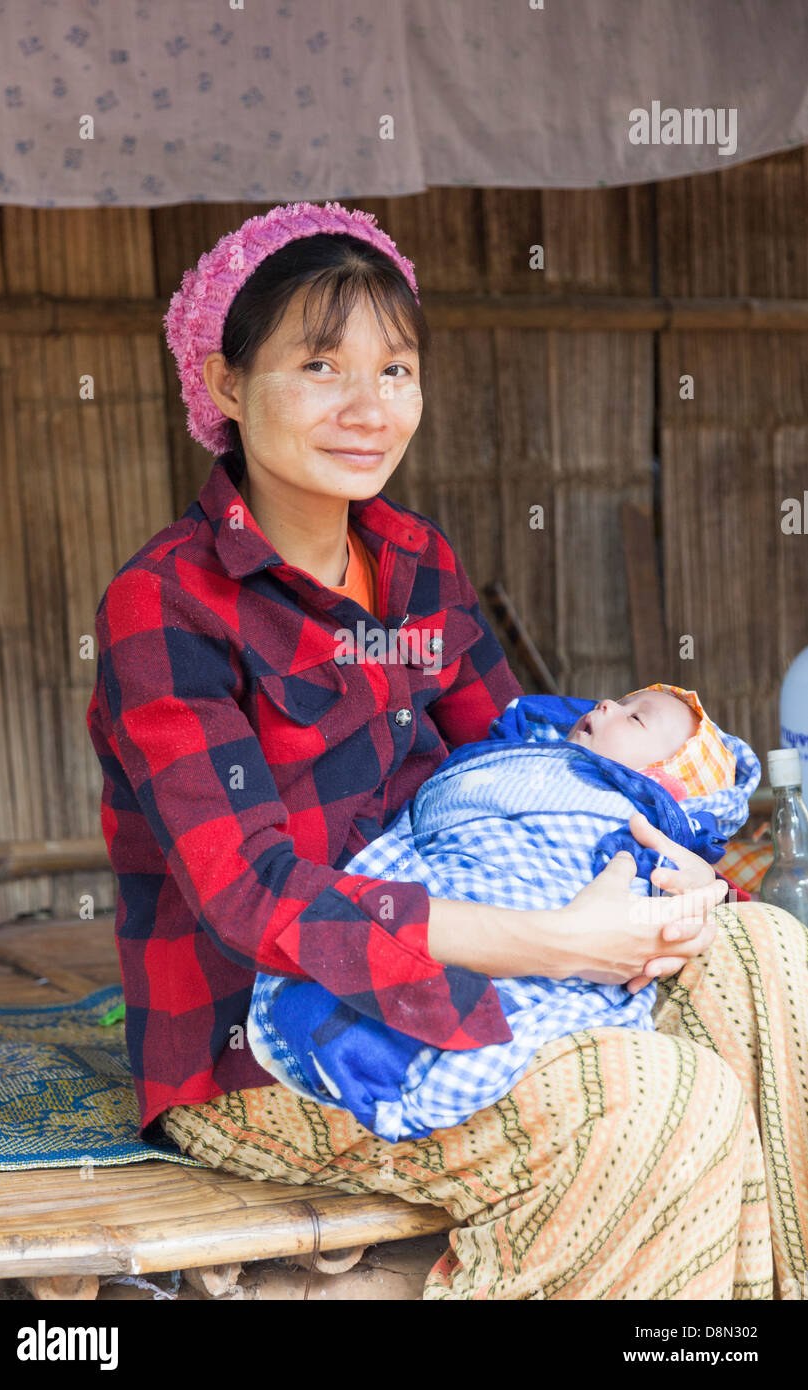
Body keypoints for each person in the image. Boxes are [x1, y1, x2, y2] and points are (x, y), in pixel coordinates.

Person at [87, 201, 808, 1300]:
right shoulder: (168, 605)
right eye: (320, 365)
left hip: (488, 977)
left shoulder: (415, 562)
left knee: (766, 959)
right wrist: (557, 943)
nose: (368, 407)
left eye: (396, 369)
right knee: (654, 1101)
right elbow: (255, 903)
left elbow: (532, 774)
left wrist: (667, 876)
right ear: (226, 384)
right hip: (272, 1045)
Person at [246, 685, 760, 1141]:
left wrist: (699, 886)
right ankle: (373, 1030)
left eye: (635, 717)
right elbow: (247, 896)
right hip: (439, 894)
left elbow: (667, 887)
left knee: (761, 936)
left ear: (665, 786)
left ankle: (401, 1041)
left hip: (561, 897)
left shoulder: (642, 816)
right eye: (622, 701)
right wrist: (565, 940)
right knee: (691, 1092)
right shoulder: (529, 750)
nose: (606, 703)